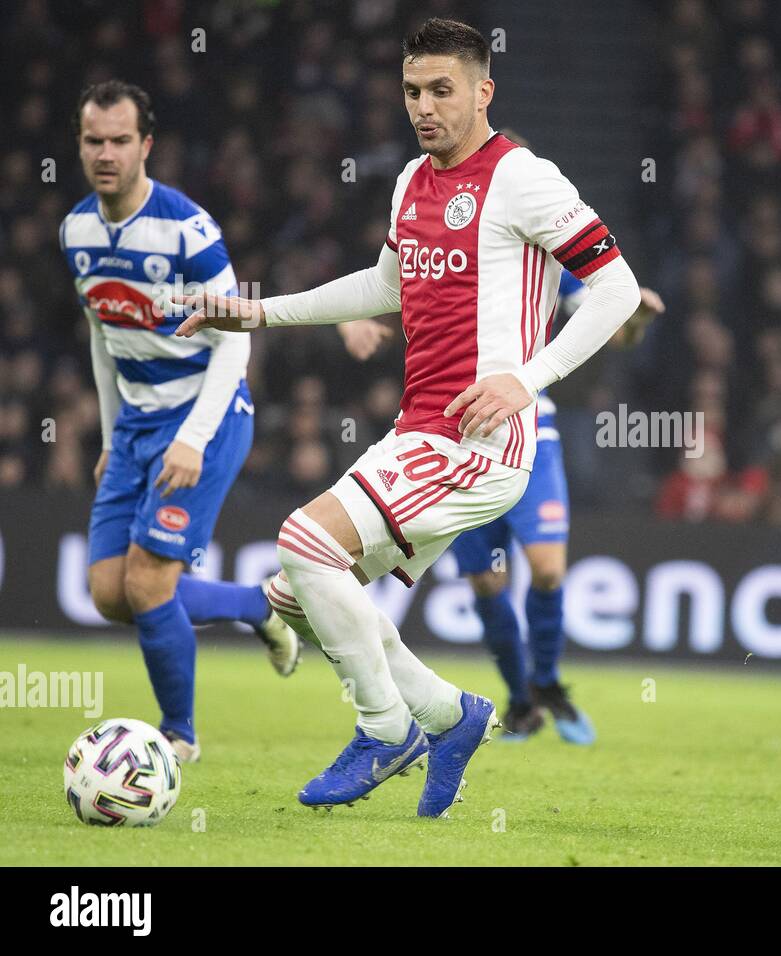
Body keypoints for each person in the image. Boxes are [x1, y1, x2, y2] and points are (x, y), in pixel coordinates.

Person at [175, 18, 642, 818]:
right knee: (302, 591)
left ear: (483, 91)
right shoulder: (411, 181)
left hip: (480, 444)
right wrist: (253, 311)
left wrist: (531, 378)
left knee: (304, 540)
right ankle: (448, 717)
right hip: (418, 433)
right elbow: (382, 288)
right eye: (412, 91)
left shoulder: (521, 177)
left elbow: (618, 289)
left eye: (441, 90)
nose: (423, 107)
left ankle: (386, 728)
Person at [60, 80, 299, 763]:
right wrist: (110, 435)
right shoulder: (76, 229)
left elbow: (236, 339)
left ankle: (177, 738)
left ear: (146, 146)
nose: (106, 154)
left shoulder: (188, 231)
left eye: (119, 141)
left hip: (206, 414)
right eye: (93, 141)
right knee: (109, 592)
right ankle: (261, 606)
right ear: (80, 145)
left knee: (149, 582)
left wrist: (193, 438)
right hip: (135, 426)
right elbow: (102, 339)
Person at [450, 268, 664, 743]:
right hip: (460, 438)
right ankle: (521, 704)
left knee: (548, 570)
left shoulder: (547, 266)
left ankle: (545, 681)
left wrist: (638, 320)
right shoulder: (451, 253)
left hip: (531, 433)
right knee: (487, 582)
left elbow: (617, 335)